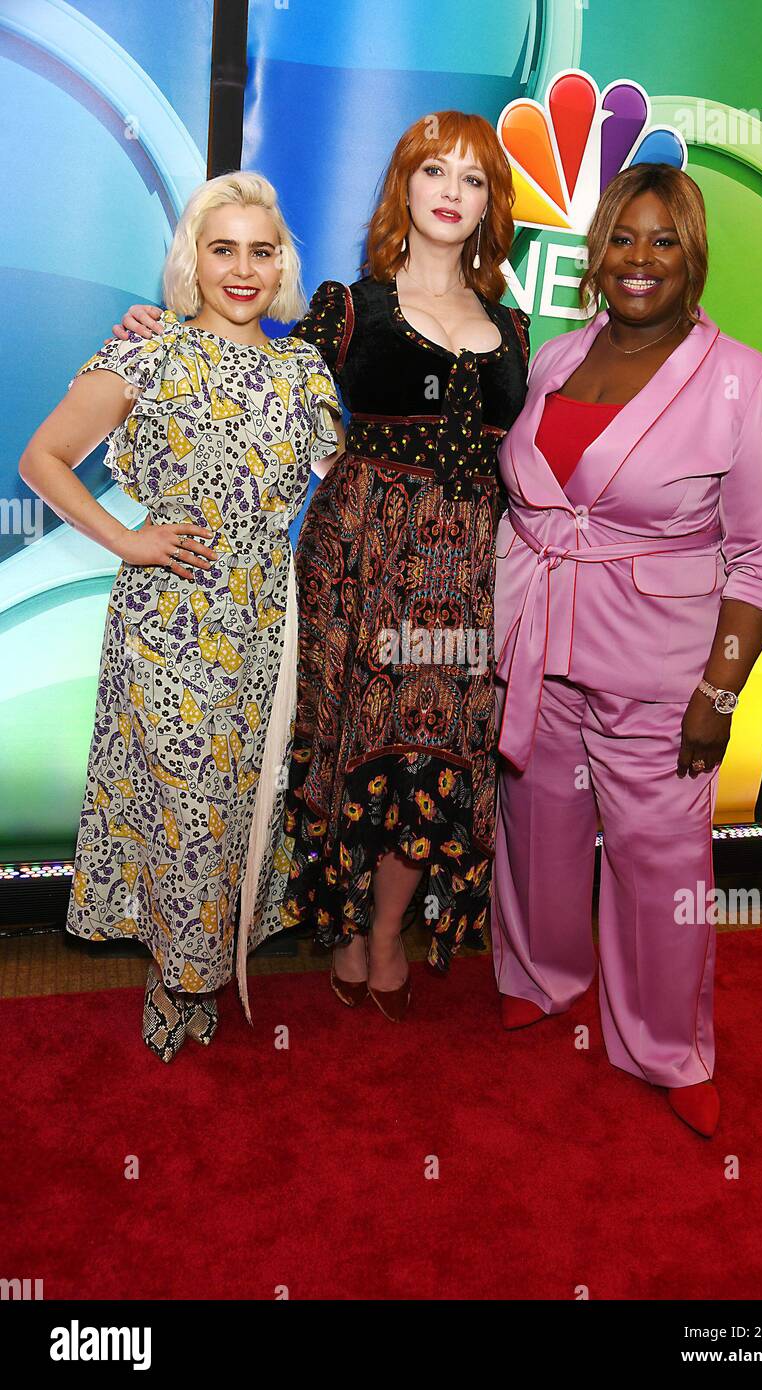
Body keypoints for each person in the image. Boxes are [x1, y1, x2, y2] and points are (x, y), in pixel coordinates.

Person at [113, 111, 531, 1020]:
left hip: (465, 579)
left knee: (430, 764)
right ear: (404, 189)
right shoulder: (348, 306)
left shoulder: (518, 326)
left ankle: (387, 936)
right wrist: (162, 322)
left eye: (474, 178)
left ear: (491, 201)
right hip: (359, 570)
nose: (452, 192)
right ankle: (341, 931)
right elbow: (246, 370)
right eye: (435, 172)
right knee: (351, 753)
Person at [491, 163, 762, 1135]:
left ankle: (665, 1044)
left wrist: (718, 692)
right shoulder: (553, 355)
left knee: (659, 858)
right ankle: (542, 974)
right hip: (537, 643)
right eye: (622, 238)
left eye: (661, 240)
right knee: (534, 824)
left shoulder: (741, 382)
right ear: (594, 255)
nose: (638, 259)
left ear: (691, 256)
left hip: (660, 665)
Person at [19, 172, 343, 1060]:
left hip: (264, 629)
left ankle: (197, 970)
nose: (242, 269)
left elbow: (351, 480)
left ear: (282, 265)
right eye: (222, 248)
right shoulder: (147, 353)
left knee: (236, 807)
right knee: (183, 809)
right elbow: (42, 457)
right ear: (191, 260)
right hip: (167, 627)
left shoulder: (301, 369)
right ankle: (175, 981)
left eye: (261, 251)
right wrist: (125, 538)